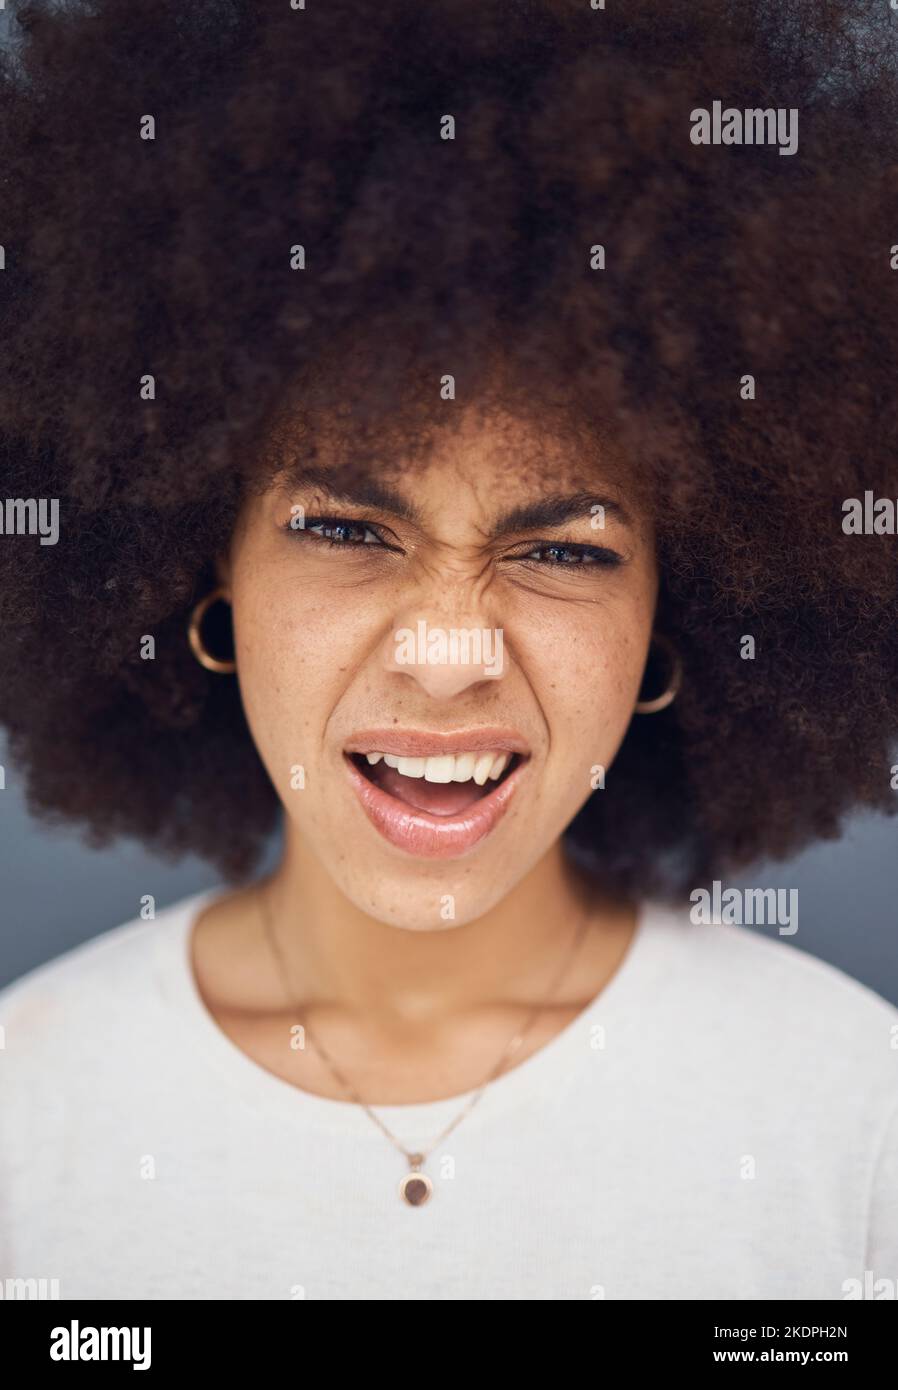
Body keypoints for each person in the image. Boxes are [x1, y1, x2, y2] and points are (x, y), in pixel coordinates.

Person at [0, 0, 896, 1300]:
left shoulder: (851, 1120)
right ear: (203, 568)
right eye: (349, 529)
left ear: (673, 613)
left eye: (564, 550)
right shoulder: (28, 1130)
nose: (443, 652)